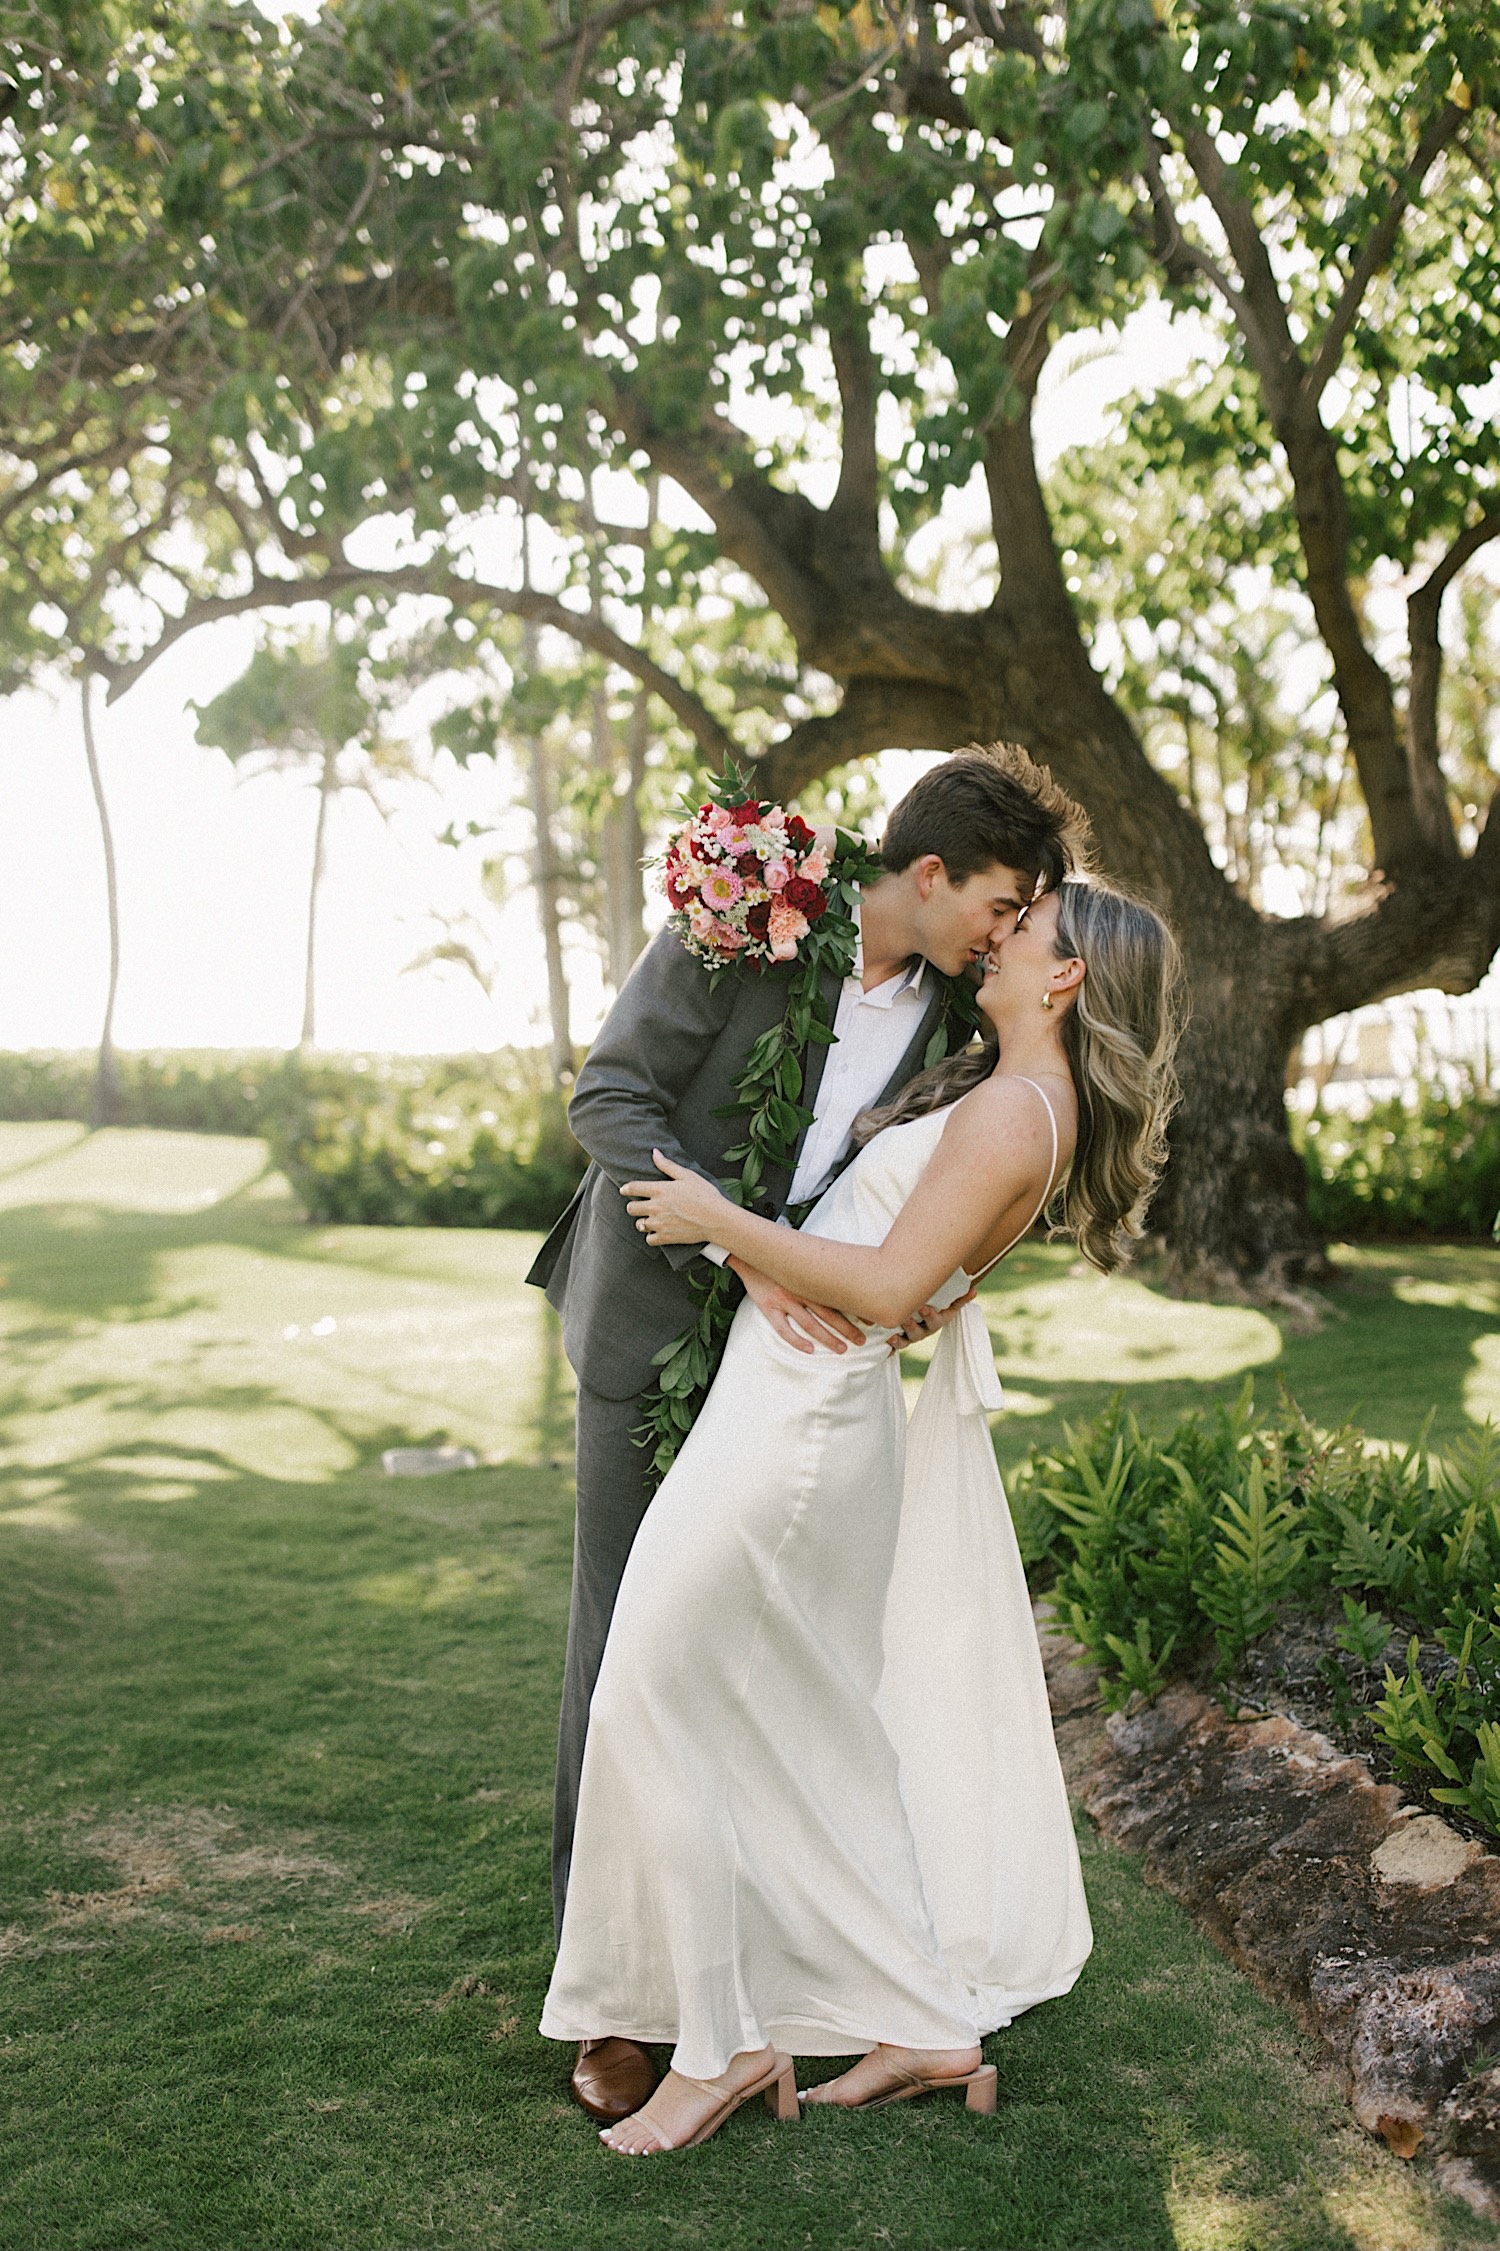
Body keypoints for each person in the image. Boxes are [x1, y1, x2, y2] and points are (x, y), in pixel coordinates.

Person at [539, 875, 1184, 2154]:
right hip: (792, 1410)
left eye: (1024, 932)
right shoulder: (1011, 1095)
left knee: (647, 1701)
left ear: (1066, 976)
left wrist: (724, 1226)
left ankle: (718, 2048)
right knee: (794, 1728)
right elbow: (919, 1273)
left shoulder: (1015, 1108)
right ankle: (924, 2022)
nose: (995, 944)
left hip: (799, 1432)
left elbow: (889, 1283)